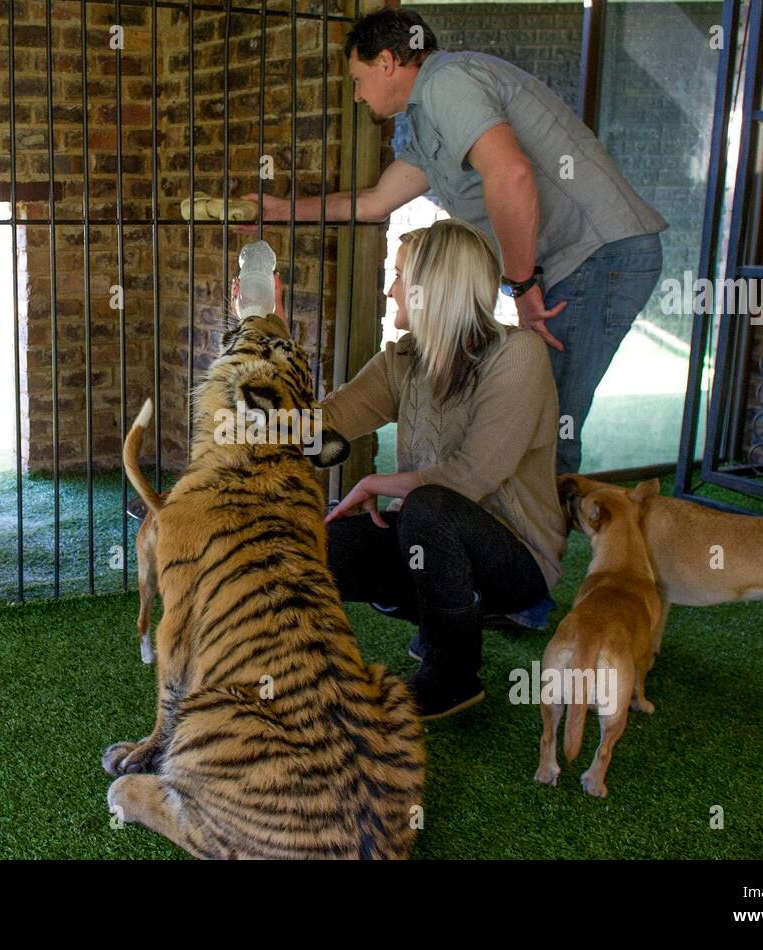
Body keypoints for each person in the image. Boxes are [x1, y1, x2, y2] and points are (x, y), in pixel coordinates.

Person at [242, 7, 666, 478]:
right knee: (536, 414)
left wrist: (523, 288)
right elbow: (375, 202)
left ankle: (534, 546)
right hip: (576, 262)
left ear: (387, 61)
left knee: (548, 423)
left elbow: (511, 173)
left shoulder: (448, 82)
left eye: (358, 79)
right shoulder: (429, 117)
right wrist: (280, 211)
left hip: (595, 255)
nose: (358, 95)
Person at [315, 218, 567, 720]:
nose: (390, 291)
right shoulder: (405, 359)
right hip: (424, 543)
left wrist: (376, 482)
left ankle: (454, 673)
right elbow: (325, 421)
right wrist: (265, 329)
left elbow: (472, 477)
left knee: (430, 508)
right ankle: (433, 625)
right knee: (319, 542)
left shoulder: (518, 354)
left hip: (516, 563)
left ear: (435, 287)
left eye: (400, 276)